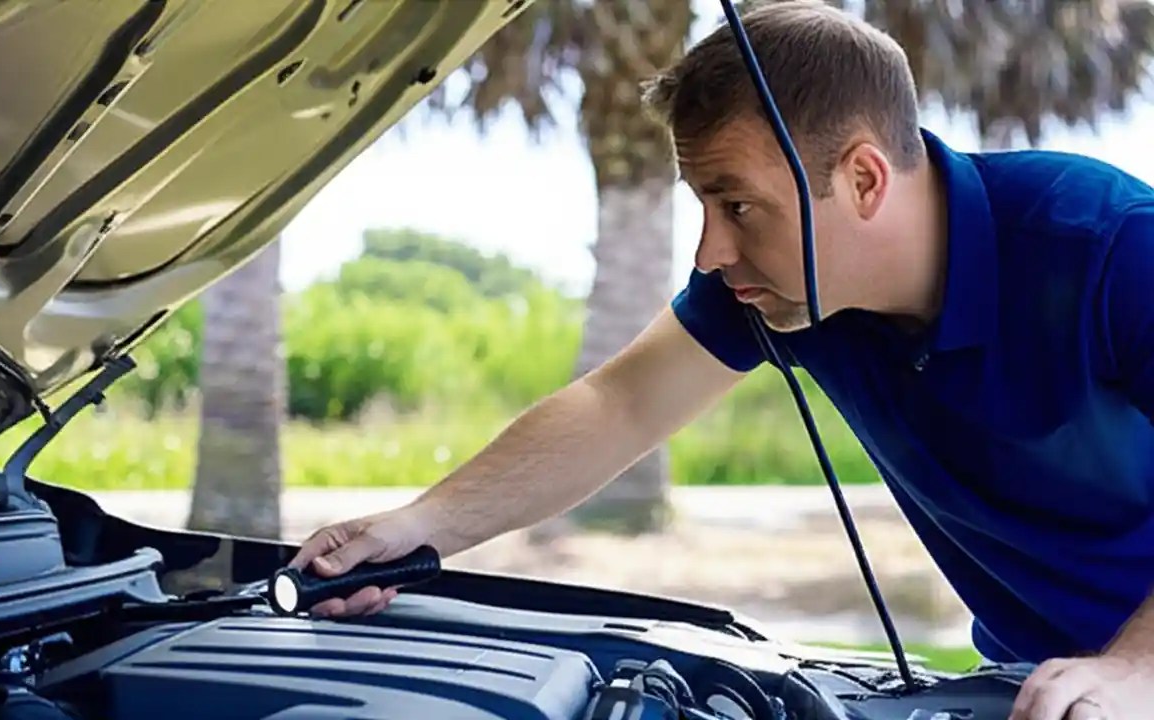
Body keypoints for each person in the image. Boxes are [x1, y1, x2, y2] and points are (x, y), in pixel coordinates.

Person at [289, 1, 1154, 717]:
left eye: (737, 205)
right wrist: (419, 527)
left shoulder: (1107, 245)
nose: (710, 251)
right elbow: (620, 406)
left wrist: (1134, 670)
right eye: (704, 203)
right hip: (1032, 690)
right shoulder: (786, 286)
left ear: (862, 180)